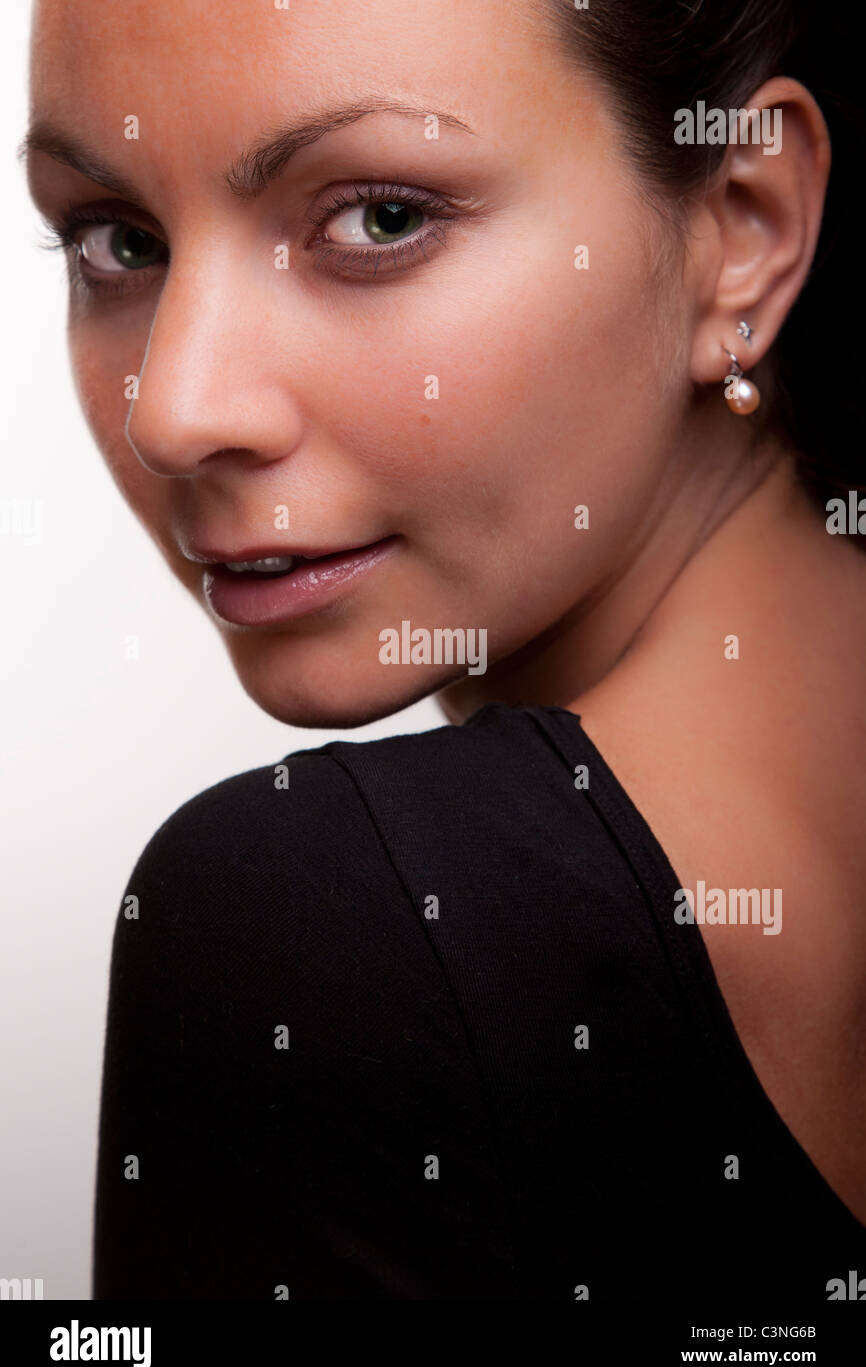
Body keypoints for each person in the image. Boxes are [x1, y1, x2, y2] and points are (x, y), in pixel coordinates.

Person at [23, 0, 866, 1301]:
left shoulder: (340, 924)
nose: (178, 410)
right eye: (118, 240)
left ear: (739, 229)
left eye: (378, 218)